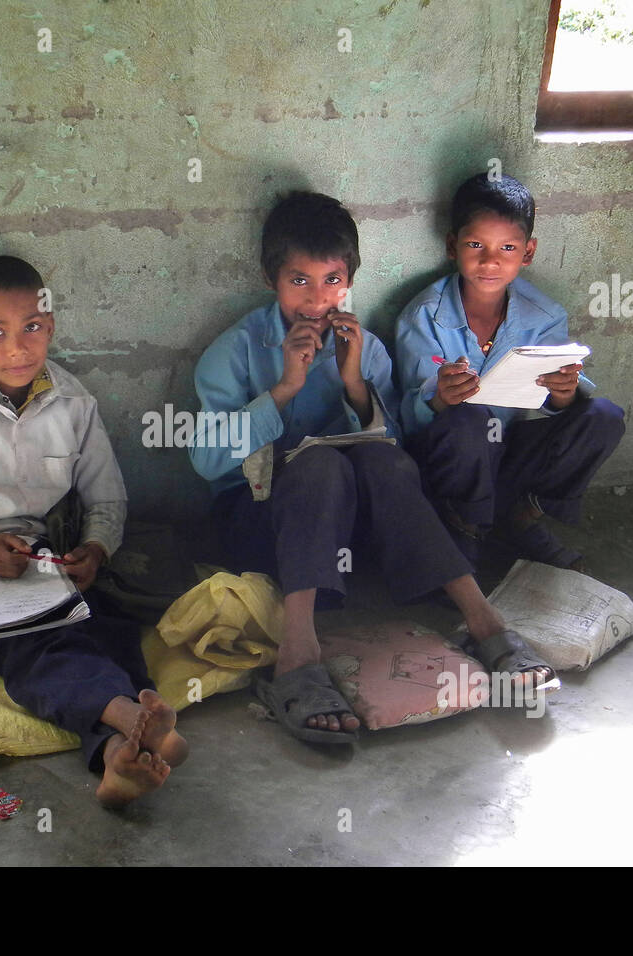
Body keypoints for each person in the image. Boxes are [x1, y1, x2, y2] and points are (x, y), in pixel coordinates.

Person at [189, 192, 555, 745]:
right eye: (299, 282)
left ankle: (483, 620)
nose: (317, 300)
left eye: (333, 280)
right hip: (261, 528)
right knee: (317, 467)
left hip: (346, 539)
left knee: (378, 459)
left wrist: (356, 383)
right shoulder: (235, 349)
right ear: (271, 279)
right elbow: (206, 459)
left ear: (351, 278)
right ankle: (298, 651)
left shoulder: (363, 347)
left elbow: (399, 456)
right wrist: (284, 388)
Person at [0, 255, 186, 807]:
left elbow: (106, 497)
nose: (17, 347)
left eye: (32, 328)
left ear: (49, 327)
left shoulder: (74, 402)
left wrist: (96, 548)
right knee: (23, 641)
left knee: (102, 625)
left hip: (45, 556)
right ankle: (131, 714)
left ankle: (114, 757)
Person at [396, 173, 625, 571]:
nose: (490, 261)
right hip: (448, 463)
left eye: (507, 247)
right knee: (466, 419)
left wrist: (564, 392)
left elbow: (561, 403)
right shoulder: (423, 316)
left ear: (528, 252)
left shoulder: (544, 315)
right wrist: (439, 399)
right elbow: (407, 414)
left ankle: (521, 520)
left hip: (508, 456)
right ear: (452, 246)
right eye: (474, 245)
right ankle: (464, 531)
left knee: (603, 417)